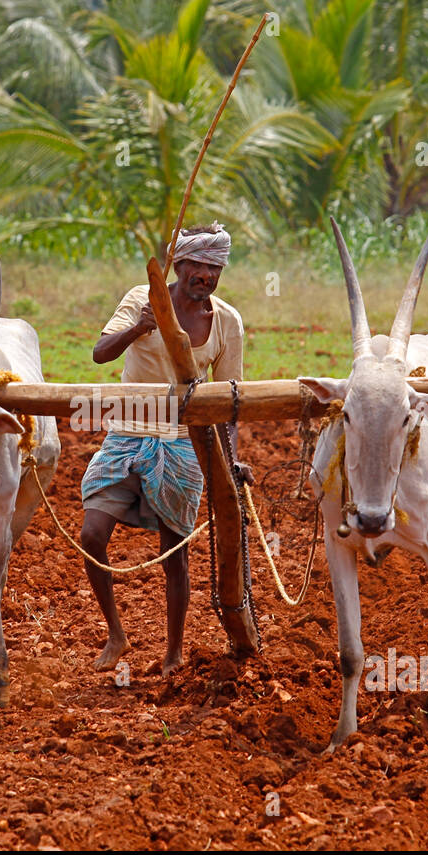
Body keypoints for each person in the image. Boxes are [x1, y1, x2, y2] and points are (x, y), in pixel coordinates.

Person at [79, 223, 245, 676]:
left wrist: (229, 463)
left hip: (186, 440)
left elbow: (230, 401)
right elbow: (99, 354)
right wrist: (139, 327)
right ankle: (117, 634)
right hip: (129, 430)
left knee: (175, 552)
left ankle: (173, 651)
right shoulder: (140, 298)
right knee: (92, 534)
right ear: (178, 264)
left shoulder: (226, 321)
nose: (205, 276)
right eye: (196, 266)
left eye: (214, 268)